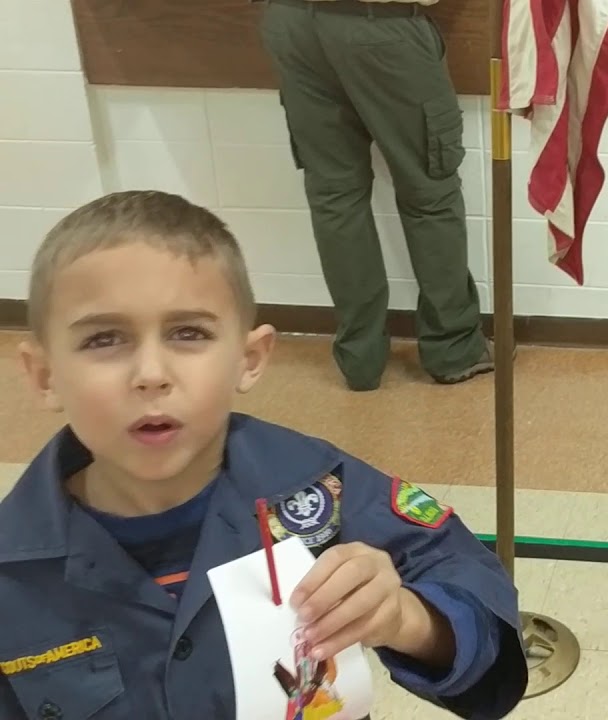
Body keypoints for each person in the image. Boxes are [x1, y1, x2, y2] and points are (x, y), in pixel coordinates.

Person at [0, 191, 526, 719]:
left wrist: (407, 619)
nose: (151, 374)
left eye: (188, 333)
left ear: (249, 359)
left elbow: (478, 604)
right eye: (103, 339)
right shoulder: (12, 565)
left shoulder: (319, 490)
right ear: (45, 377)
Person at [257, 0, 491, 390]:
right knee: (429, 191)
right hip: (380, 25)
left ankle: (360, 359)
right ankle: (454, 349)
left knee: (334, 196)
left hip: (292, 21)